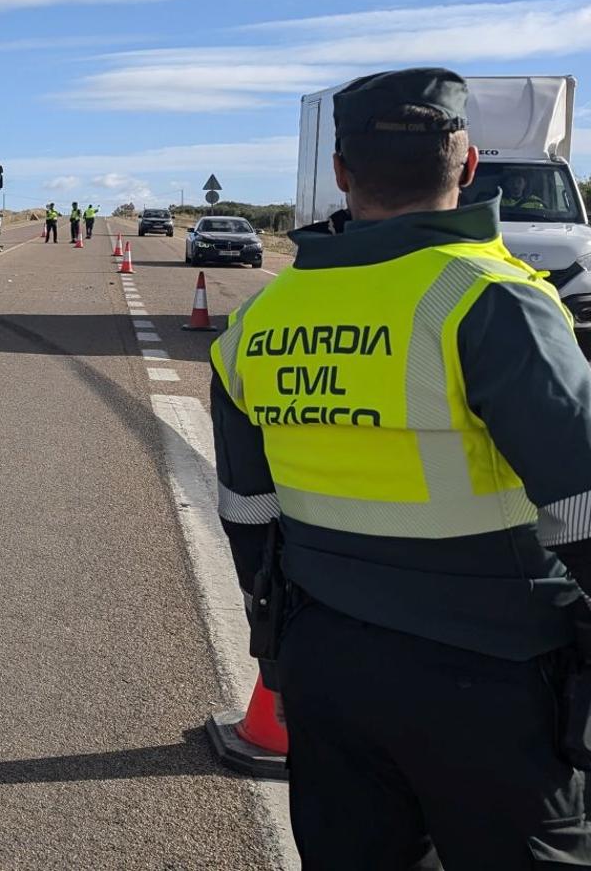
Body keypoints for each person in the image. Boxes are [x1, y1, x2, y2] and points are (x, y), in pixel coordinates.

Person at [210, 68, 591, 867]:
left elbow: (247, 511)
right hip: (494, 673)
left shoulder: (259, 319)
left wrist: (283, 643)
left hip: (327, 666)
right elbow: (584, 506)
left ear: (341, 172)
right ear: (470, 163)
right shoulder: (490, 298)